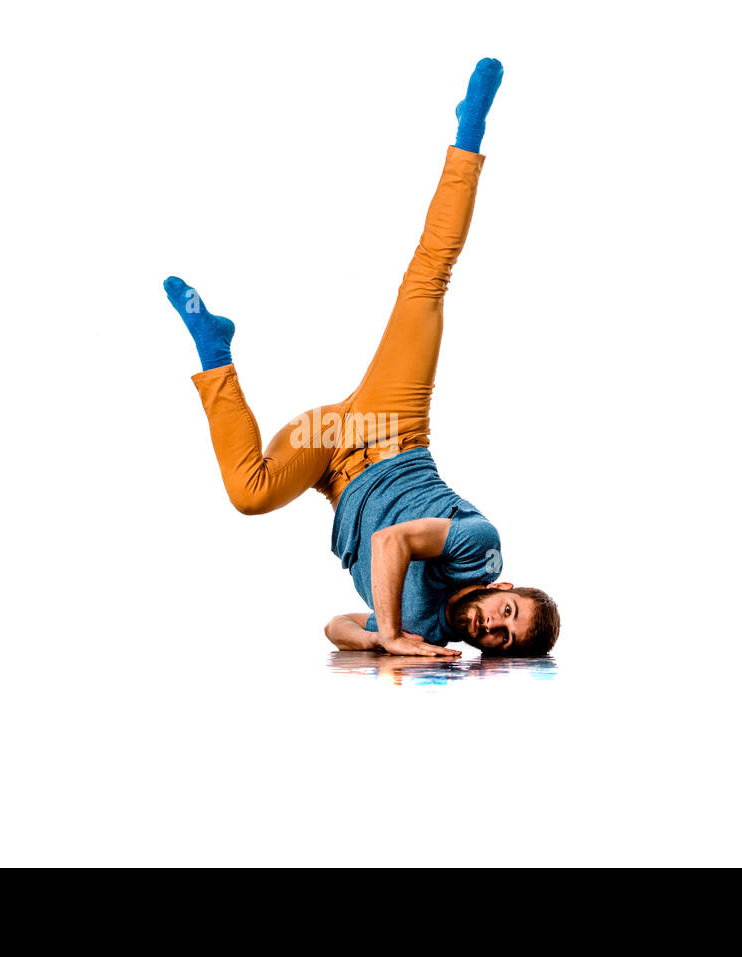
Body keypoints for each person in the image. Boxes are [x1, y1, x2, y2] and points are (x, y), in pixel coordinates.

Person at [162, 58, 560, 658]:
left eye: (503, 639)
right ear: (504, 586)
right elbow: (391, 543)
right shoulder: (480, 545)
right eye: (508, 611)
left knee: (249, 495)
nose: (494, 626)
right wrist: (395, 635)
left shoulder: (429, 633)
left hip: (330, 460)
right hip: (390, 426)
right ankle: (469, 133)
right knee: (428, 280)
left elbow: (337, 627)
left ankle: (214, 351)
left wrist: (384, 641)